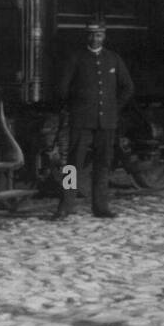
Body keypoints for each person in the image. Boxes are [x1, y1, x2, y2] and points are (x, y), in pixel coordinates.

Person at [55, 19, 135, 219]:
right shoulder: (76, 58)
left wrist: (113, 109)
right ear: (86, 36)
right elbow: (62, 89)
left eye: (98, 34)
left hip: (106, 122)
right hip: (81, 121)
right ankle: (65, 206)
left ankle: (101, 207)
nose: (95, 38)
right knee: (72, 165)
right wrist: (76, 107)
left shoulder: (113, 59)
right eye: (91, 34)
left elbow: (127, 87)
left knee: (103, 164)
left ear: (104, 36)